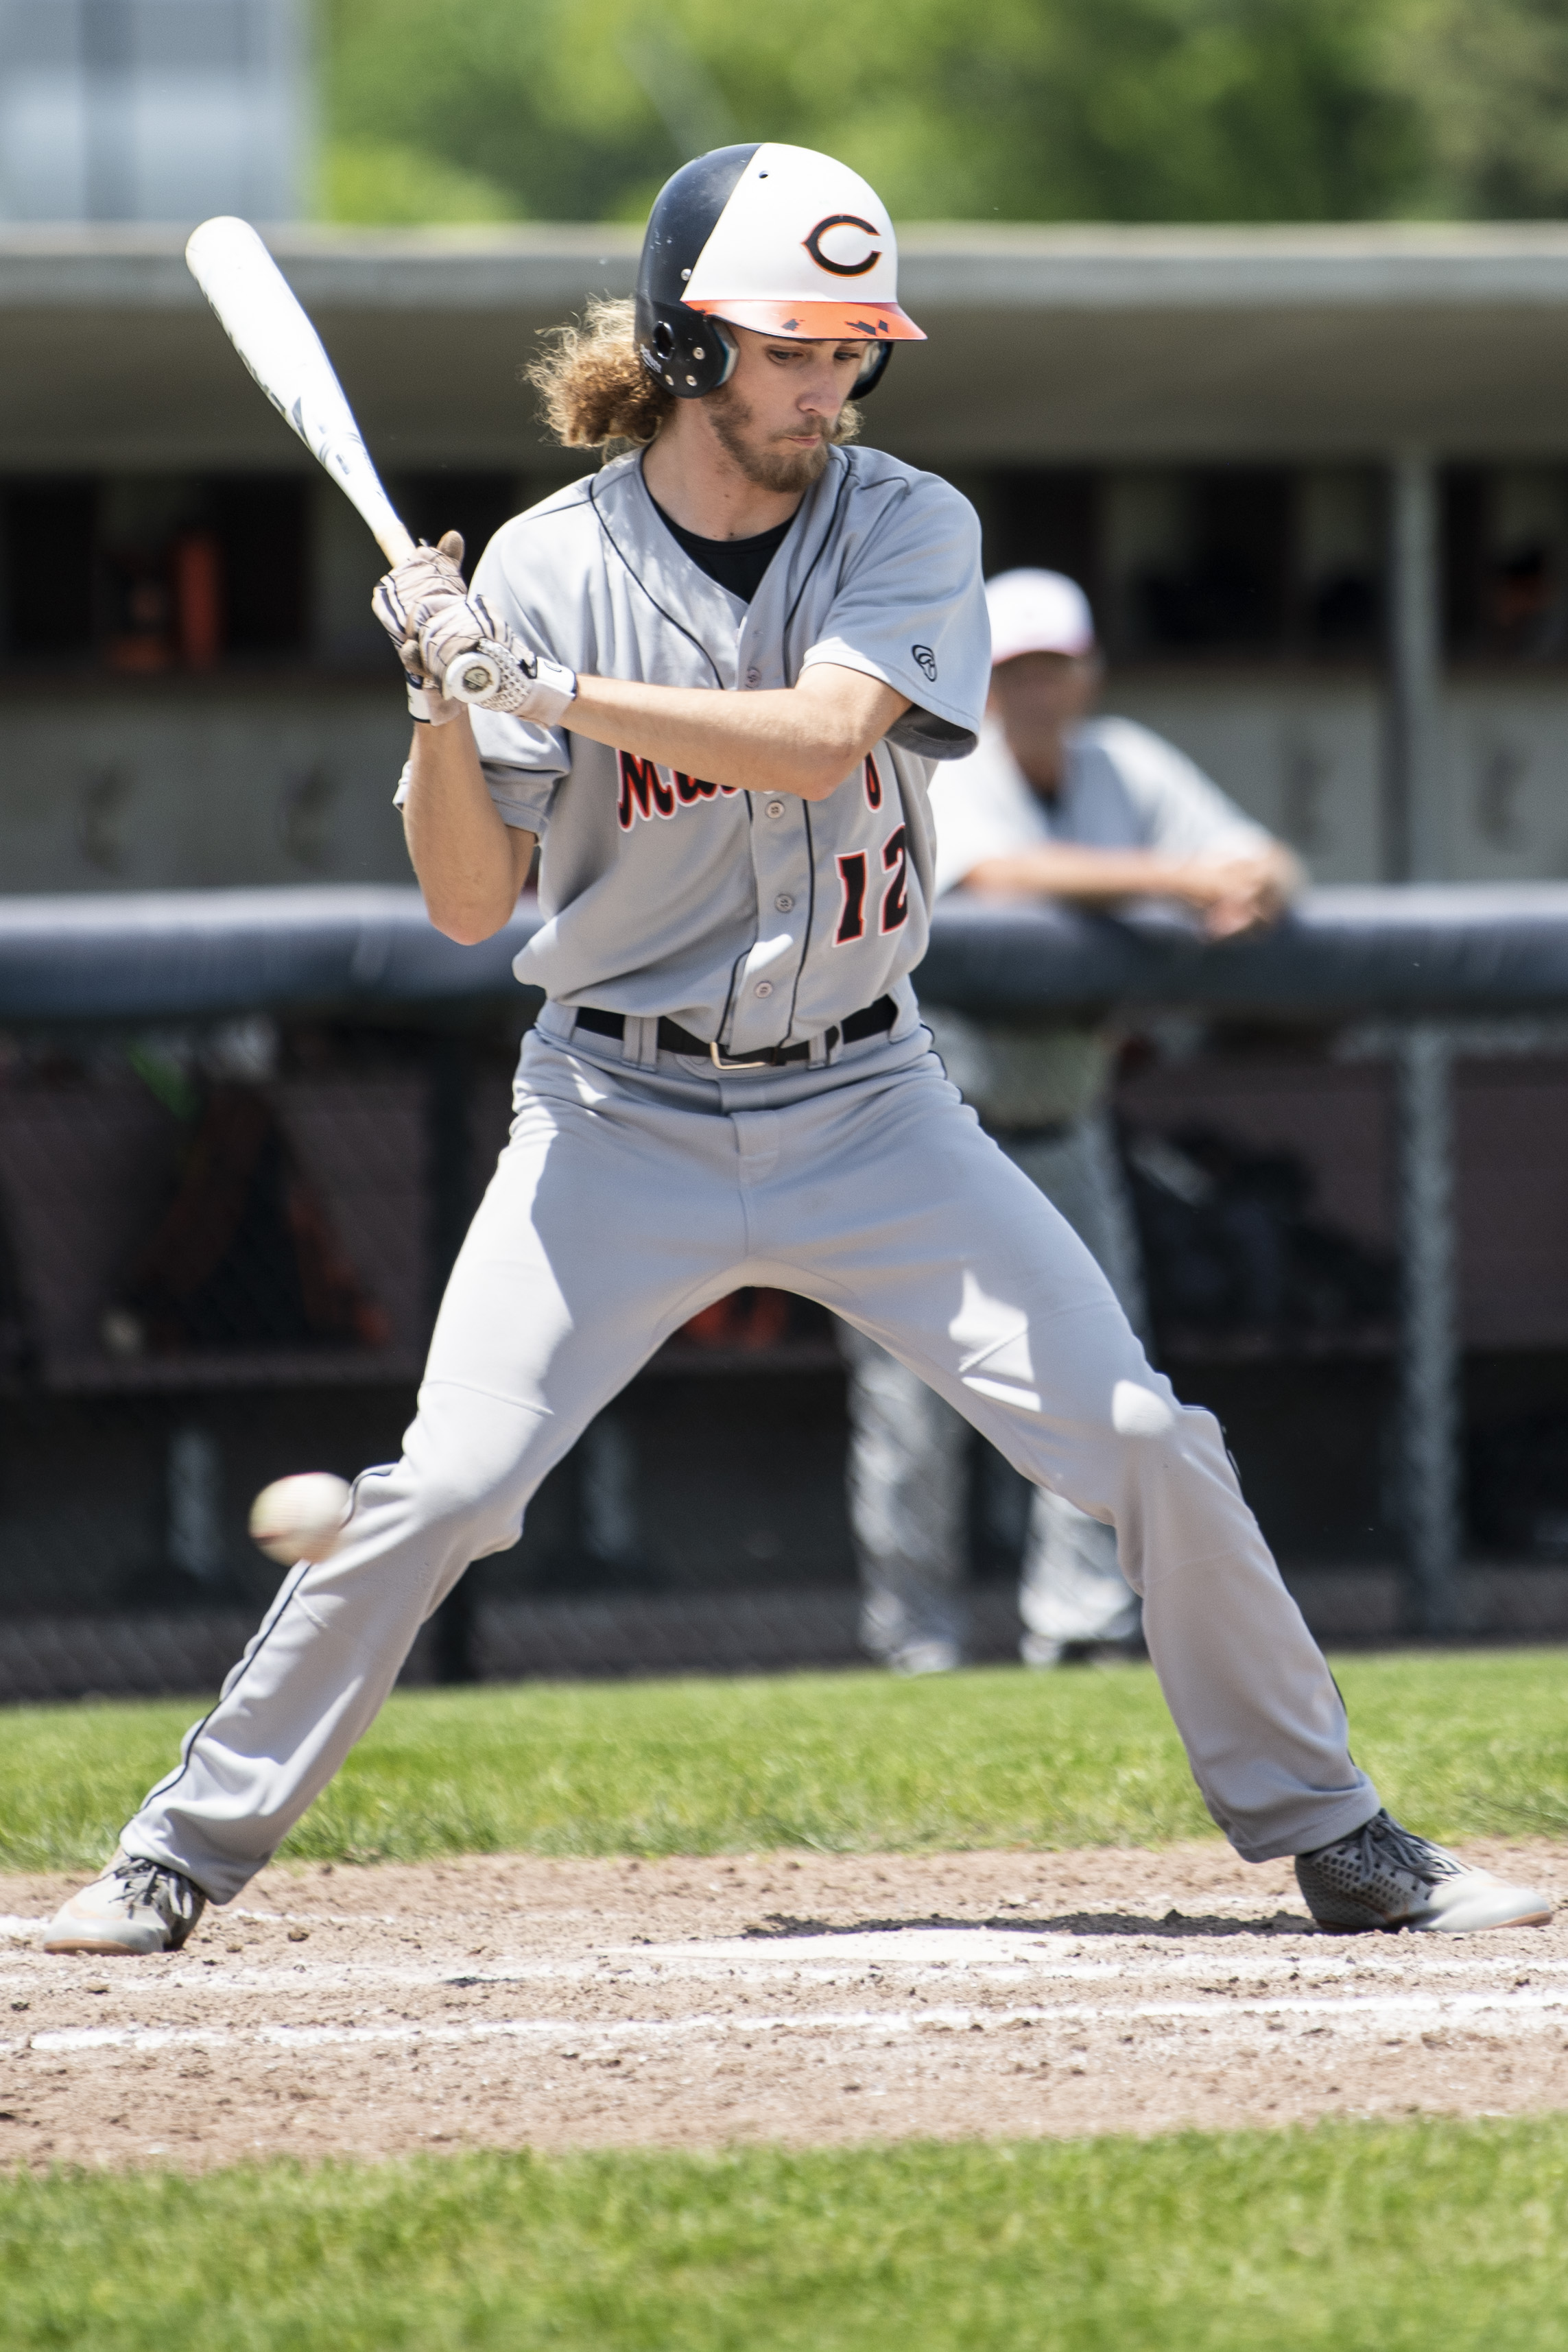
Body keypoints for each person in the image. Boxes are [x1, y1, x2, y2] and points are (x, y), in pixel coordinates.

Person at [45, 143, 1548, 1954]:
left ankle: (1334, 1832)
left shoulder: (903, 521)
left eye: (849, 351)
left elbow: (824, 737)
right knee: (444, 1487)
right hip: (611, 1108)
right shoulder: (542, 565)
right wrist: (446, 700)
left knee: (1146, 1434)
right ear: (688, 346)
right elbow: (463, 903)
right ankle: (175, 1854)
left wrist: (539, 688)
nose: (824, 386)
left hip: (868, 1098)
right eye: (786, 350)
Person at [847, 567, 1298, 1674]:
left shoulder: (1125, 764)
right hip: (925, 1139)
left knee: (1101, 1384)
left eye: (1053, 666)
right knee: (914, 1410)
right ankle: (917, 1645)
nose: (1036, 689)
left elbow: (1265, 857)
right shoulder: (940, 756)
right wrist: (1182, 882)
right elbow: (998, 872)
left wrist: (1248, 886)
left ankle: (1078, 1622)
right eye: (1013, 670)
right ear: (979, 681)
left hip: (1064, 1126)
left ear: (1086, 671)